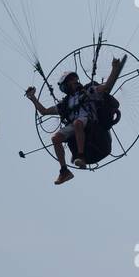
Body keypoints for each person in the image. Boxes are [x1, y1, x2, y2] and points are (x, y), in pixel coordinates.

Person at [26, 54, 126, 185]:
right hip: (76, 126)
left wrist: (114, 69)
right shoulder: (64, 104)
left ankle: (81, 156)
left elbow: (106, 87)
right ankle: (64, 171)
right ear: (66, 86)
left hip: (90, 122)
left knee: (78, 122)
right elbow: (44, 111)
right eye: (71, 80)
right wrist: (33, 98)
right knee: (55, 138)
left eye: (74, 79)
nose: (74, 81)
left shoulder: (88, 91)